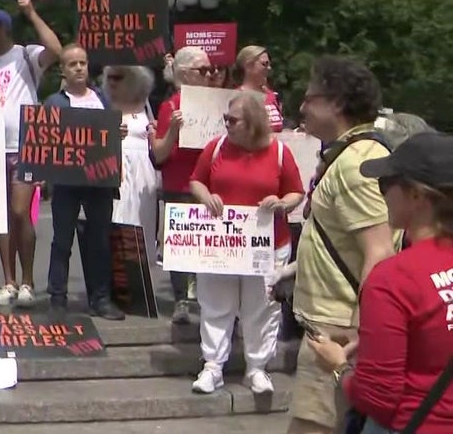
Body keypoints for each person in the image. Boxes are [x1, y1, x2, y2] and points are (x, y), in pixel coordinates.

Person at [306, 131, 453, 434]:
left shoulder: (393, 279)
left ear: (417, 196)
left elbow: (378, 397)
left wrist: (338, 367)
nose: (381, 193)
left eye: (386, 183)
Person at [287, 57, 400, 434]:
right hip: (337, 323)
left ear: (335, 102)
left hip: (338, 329)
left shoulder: (356, 163)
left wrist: (366, 335)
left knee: (314, 426)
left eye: (309, 98)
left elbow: (379, 251)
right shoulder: (354, 154)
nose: (301, 108)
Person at [188, 92, 303, 395]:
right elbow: (196, 180)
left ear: (252, 123)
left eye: (233, 120)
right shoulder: (215, 148)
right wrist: (206, 196)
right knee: (215, 302)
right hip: (221, 242)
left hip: (266, 244)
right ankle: (212, 365)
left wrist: (280, 202)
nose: (226, 124)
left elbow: (296, 192)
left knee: (262, 306)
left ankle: (257, 368)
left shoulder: (279, 152)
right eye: (225, 118)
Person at [0, 0, 63, 307]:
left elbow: (56, 51)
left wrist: (32, 12)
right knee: (0, 218)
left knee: (19, 212)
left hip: (25, 144)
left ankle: (28, 281)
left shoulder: (25, 55)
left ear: (0, 28)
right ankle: (8, 281)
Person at [43, 45, 125, 320]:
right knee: (61, 241)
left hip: (99, 179)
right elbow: (44, 140)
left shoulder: (102, 98)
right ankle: (57, 298)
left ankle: (100, 298)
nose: (78, 67)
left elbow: (110, 136)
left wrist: (118, 132)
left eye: (82, 62)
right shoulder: (54, 102)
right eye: (72, 64)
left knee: (99, 239)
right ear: (63, 70)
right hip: (66, 181)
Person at [152, 46, 220, 324]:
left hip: (211, 186)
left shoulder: (219, 104)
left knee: (209, 246)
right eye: (202, 70)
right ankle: (181, 298)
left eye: (211, 69)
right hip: (179, 184)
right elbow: (159, 154)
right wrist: (173, 131)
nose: (209, 74)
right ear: (184, 73)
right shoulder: (170, 106)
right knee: (180, 246)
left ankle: (207, 299)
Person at [103, 66, 160, 264]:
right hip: (119, 167)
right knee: (120, 218)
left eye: (118, 77)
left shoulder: (145, 105)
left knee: (143, 222)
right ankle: (118, 274)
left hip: (143, 171)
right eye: (109, 77)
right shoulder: (105, 104)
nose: (112, 81)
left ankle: (140, 279)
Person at [233, 45, 283, 132]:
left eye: (269, 64)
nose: (269, 68)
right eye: (264, 64)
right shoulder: (236, 98)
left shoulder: (272, 96)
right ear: (248, 66)